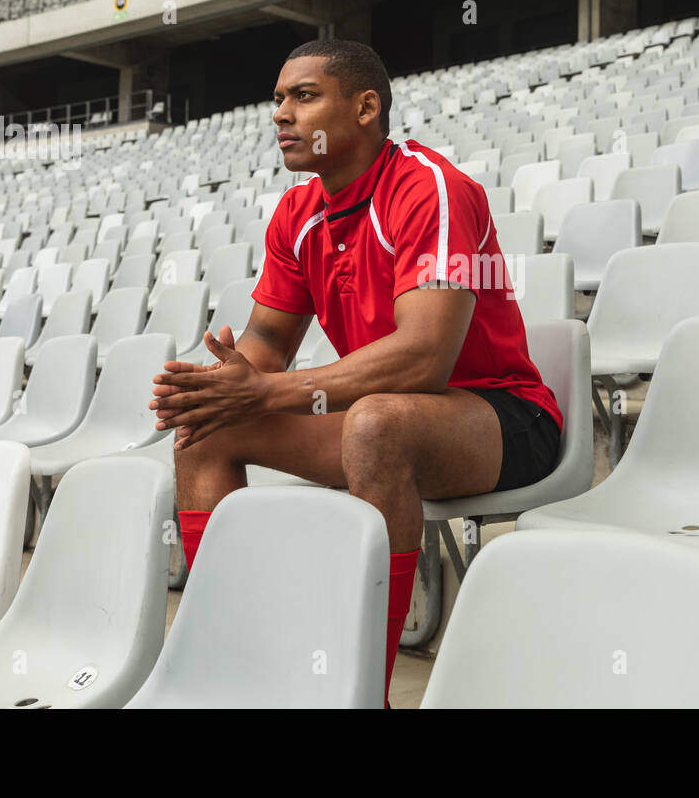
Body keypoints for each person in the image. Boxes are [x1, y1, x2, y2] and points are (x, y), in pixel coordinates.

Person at [150, 38, 562, 706]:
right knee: (208, 432)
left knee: (376, 425)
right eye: (278, 99)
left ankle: (361, 693)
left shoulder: (432, 189)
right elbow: (265, 340)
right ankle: (243, 670)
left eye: (303, 96)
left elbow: (425, 356)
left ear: (366, 107)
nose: (281, 114)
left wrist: (269, 389)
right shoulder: (297, 214)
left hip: (503, 417)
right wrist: (217, 387)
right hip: (387, 414)